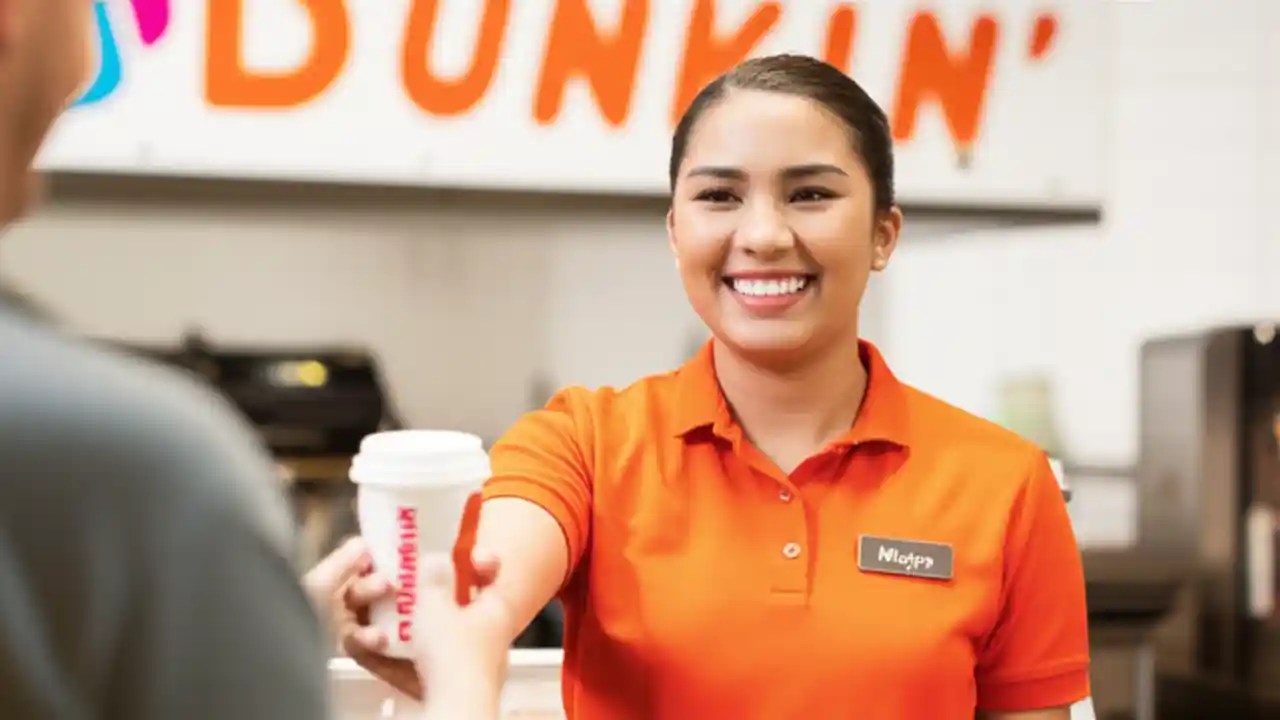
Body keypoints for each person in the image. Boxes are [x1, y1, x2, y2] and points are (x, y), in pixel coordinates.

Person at [339, 54, 1091, 719]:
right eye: (720, 197)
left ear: (882, 235)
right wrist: (450, 630)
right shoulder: (585, 443)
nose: (762, 235)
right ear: (676, 233)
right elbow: (494, 586)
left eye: (810, 194)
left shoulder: (1005, 485)